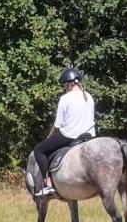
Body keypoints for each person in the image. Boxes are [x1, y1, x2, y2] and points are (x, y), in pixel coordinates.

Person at [32, 67, 96, 195]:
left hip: (70, 135)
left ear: (67, 84)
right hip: (90, 135)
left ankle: (47, 184)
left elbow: (57, 125)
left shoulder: (66, 98)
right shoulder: (88, 96)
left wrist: (49, 138)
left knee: (39, 150)